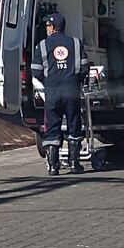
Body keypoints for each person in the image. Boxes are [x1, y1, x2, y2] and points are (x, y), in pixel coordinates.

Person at [31, 13, 89, 175]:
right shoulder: (76, 43)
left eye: (47, 26)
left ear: (52, 27)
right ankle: (74, 164)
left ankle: (53, 167)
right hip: (71, 91)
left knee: (52, 126)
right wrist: (74, 80)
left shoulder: (43, 45)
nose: (46, 29)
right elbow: (84, 67)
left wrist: (49, 81)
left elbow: (36, 71)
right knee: (74, 125)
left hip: (52, 93)